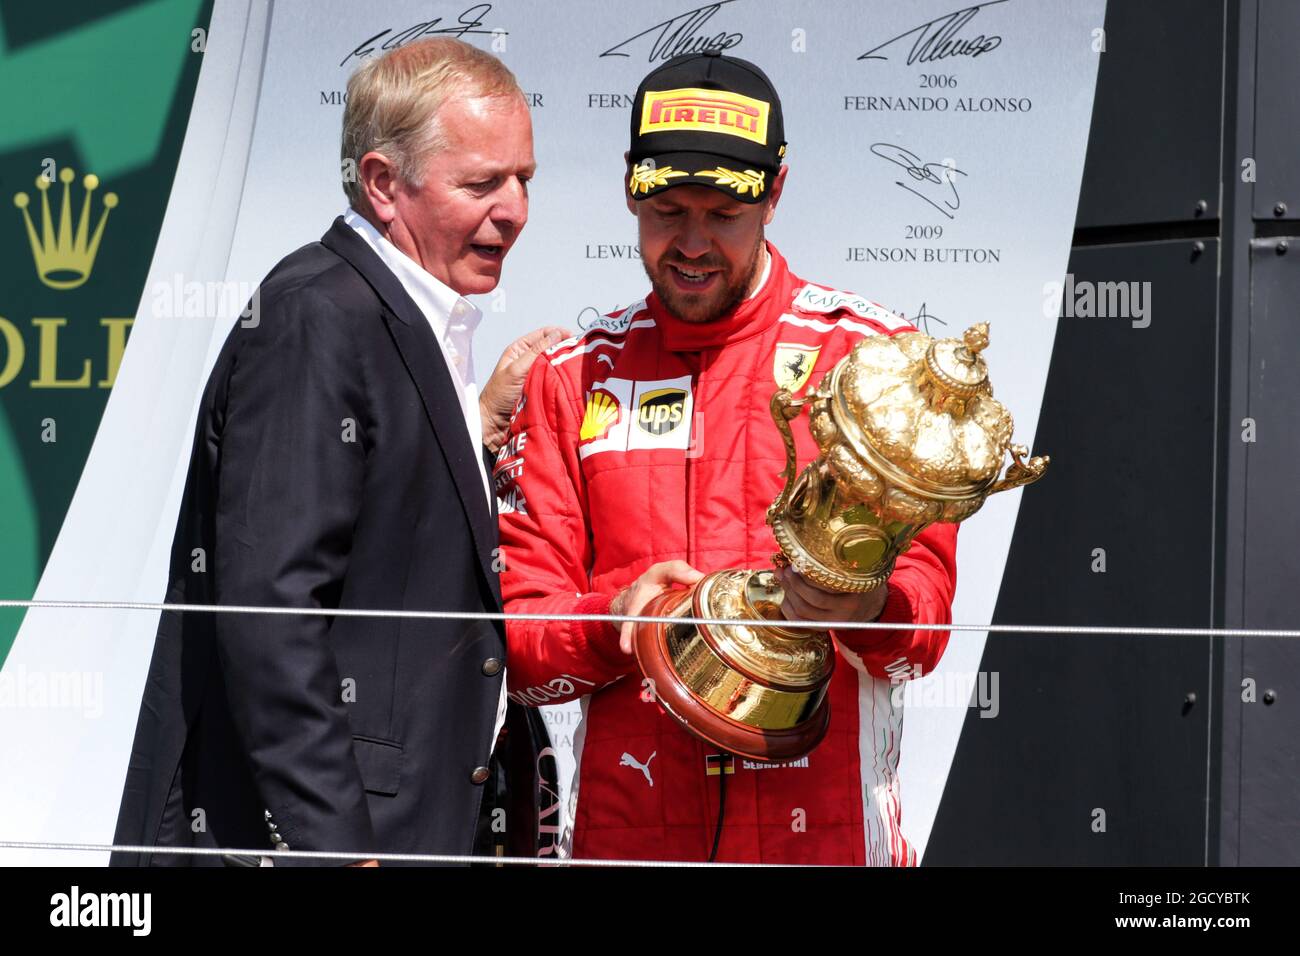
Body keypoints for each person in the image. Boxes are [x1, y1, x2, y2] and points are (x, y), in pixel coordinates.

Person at [494, 51, 958, 865]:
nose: (693, 244)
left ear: (775, 192)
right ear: (629, 189)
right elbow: (522, 649)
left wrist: (862, 604)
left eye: (724, 215)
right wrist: (615, 621)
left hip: (824, 839)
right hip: (630, 838)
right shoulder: (575, 377)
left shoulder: (876, 364)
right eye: (667, 211)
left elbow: (927, 625)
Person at [112, 38, 564, 866]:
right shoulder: (315, 316)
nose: (515, 211)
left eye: (523, 179)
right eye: (482, 184)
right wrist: (338, 851)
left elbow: (386, 508)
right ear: (385, 184)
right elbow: (269, 612)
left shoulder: (407, 311)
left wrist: (475, 422)